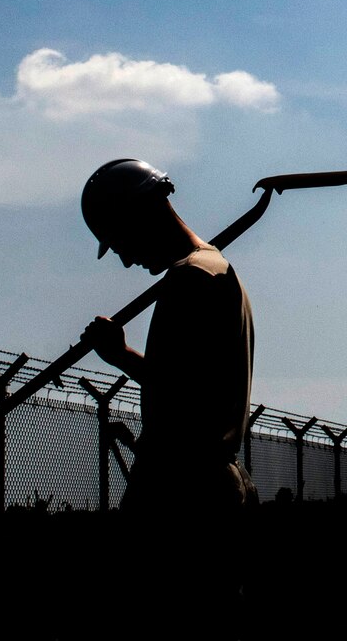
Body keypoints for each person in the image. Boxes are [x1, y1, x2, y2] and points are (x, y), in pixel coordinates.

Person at [79, 158, 256, 633]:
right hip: (208, 485)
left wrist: (118, 355)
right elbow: (187, 383)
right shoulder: (216, 269)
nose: (124, 258)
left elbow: (180, 390)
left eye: (119, 241)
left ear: (138, 216)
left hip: (182, 497)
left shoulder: (189, 280)